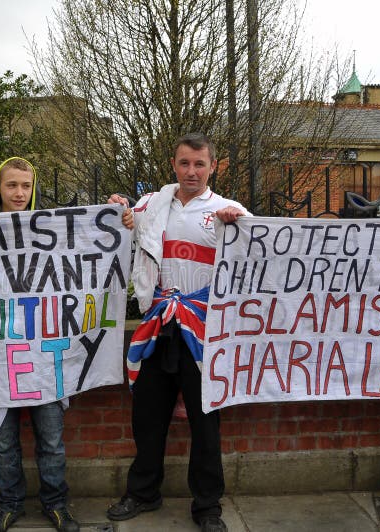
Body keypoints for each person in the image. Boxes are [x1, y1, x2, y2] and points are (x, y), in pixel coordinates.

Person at [106, 133, 248, 532]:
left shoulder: (230, 210)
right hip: (159, 321)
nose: (191, 171)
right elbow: (122, 223)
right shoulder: (152, 204)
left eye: (199, 164)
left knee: (206, 420)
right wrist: (115, 207)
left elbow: (258, 254)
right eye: (184, 163)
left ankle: (207, 506)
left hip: (206, 328)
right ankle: (143, 492)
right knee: (148, 415)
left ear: (213, 166)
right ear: (174, 164)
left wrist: (235, 228)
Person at [0, 157, 79, 532]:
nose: (19, 193)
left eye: (25, 185)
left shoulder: (51, 232)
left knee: (51, 440)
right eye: (11, 186)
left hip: (43, 353)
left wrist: (123, 221)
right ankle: (8, 505)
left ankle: (57, 504)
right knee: (4, 443)